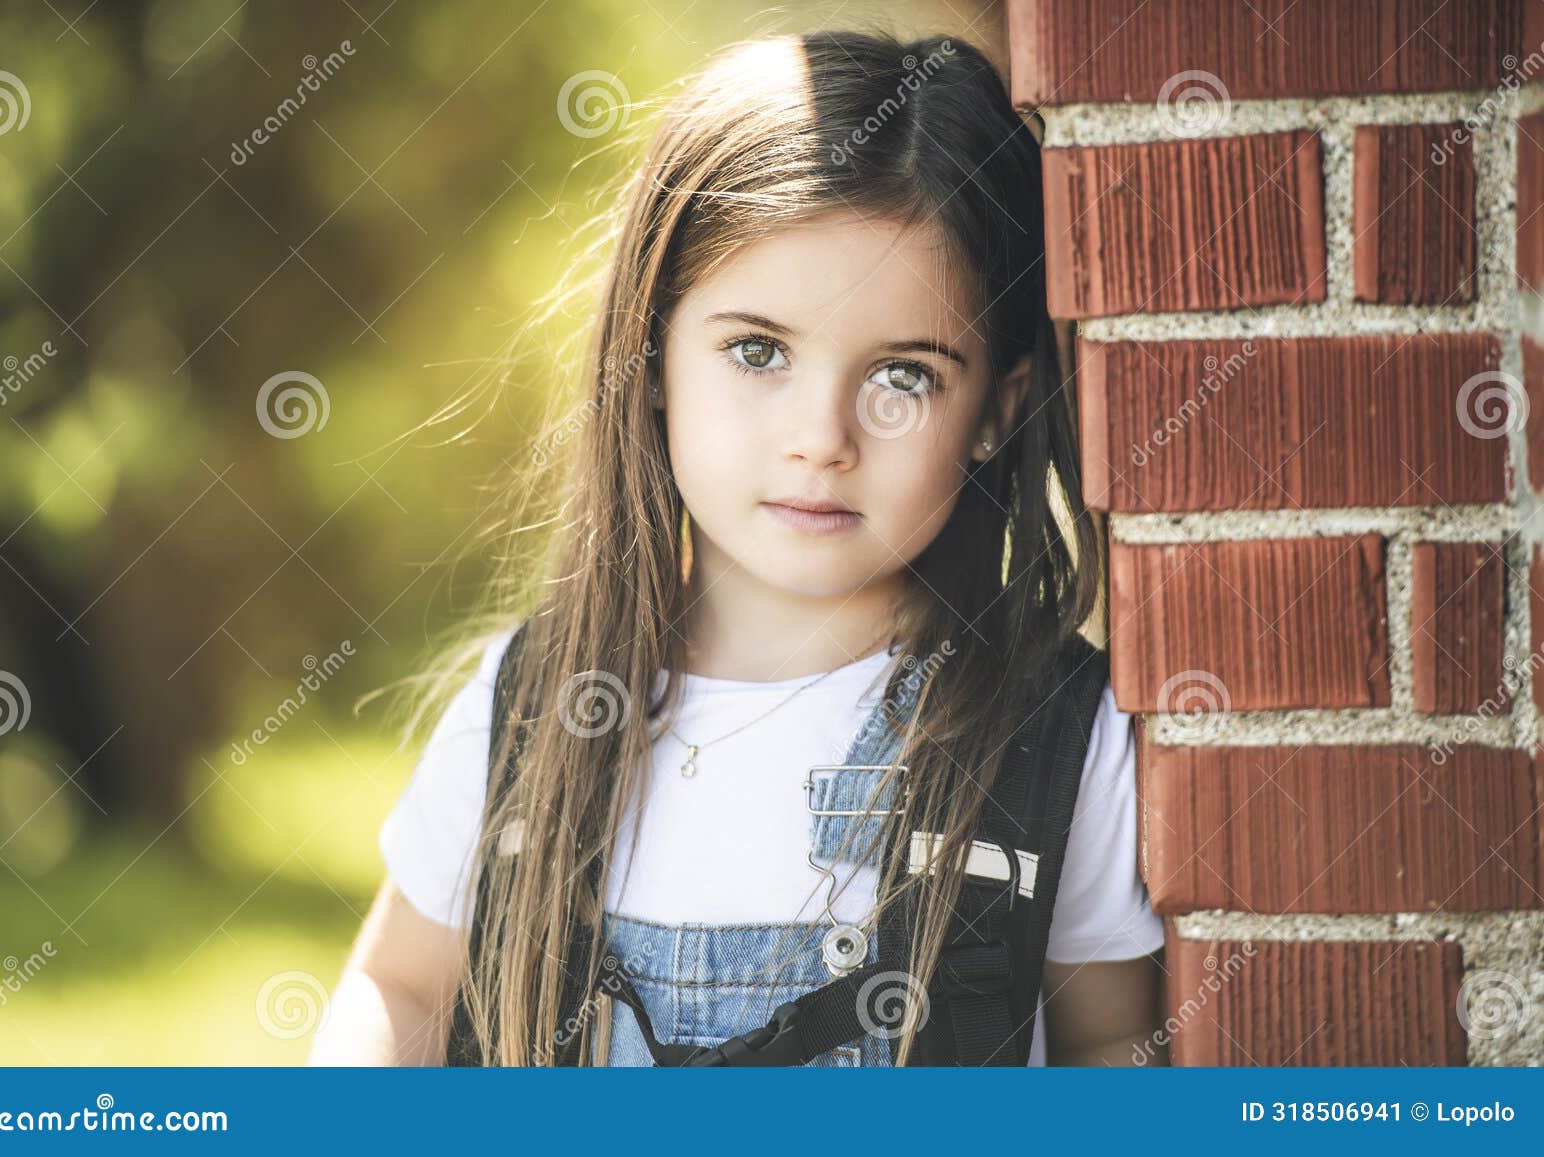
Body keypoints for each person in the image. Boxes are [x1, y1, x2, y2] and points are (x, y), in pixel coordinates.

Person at [310, 28, 1166, 1068]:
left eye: (903, 374)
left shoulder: (1050, 745)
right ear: (654, 352)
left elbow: (1115, 1040)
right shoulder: (532, 709)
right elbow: (400, 983)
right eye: (757, 351)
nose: (821, 437)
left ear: (995, 408)